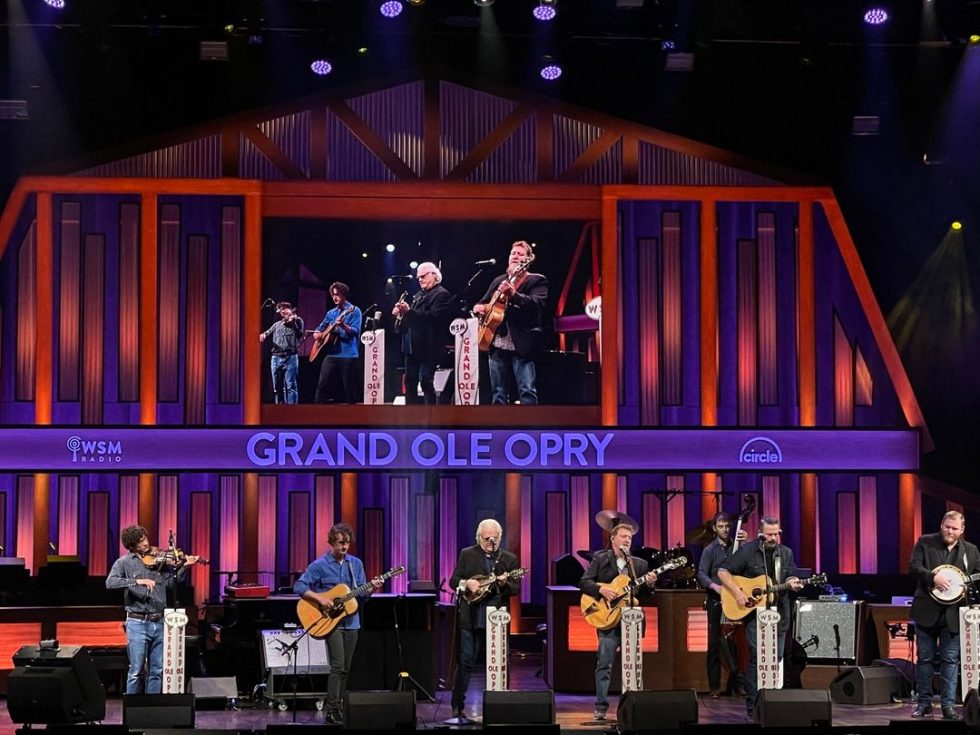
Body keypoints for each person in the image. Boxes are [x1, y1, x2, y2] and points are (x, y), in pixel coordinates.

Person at [294, 523, 382, 725]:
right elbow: (299, 585)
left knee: (346, 668)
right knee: (337, 665)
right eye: (341, 543)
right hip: (330, 623)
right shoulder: (320, 565)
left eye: (347, 543)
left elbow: (362, 596)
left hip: (352, 622)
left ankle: (339, 706)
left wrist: (371, 588)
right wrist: (320, 599)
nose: (345, 547)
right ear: (332, 543)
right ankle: (332, 709)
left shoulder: (355, 564)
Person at [718, 516, 803, 720]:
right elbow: (722, 572)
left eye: (777, 533)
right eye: (770, 534)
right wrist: (738, 593)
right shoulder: (748, 552)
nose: (774, 537)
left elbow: (790, 575)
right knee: (759, 658)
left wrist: (793, 582)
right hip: (756, 615)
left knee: (777, 659)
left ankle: (774, 704)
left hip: (779, 615)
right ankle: (753, 706)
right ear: (760, 533)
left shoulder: (786, 553)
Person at [105, 525, 200, 694]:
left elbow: (170, 584)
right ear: (132, 545)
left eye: (145, 539)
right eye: (141, 542)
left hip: (160, 621)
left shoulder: (159, 562)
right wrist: (137, 582)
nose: (146, 543)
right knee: (136, 671)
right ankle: (133, 711)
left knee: (157, 670)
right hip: (137, 622)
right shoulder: (124, 563)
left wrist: (185, 567)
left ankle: (152, 711)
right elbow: (110, 583)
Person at [578, 518, 656, 721]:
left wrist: (650, 584)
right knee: (604, 663)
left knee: (632, 665)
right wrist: (601, 589)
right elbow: (584, 582)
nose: (627, 540)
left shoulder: (640, 564)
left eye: (630, 537)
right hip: (607, 619)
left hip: (631, 621)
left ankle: (632, 704)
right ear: (613, 539)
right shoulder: (600, 559)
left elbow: (645, 595)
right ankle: (601, 706)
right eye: (623, 536)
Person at [909, 510, 980, 720]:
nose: (950, 531)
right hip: (926, 610)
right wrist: (933, 578)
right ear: (942, 525)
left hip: (954, 614)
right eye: (947, 526)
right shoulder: (925, 542)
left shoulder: (971, 551)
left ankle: (948, 706)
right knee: (925, 659)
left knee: (950, 660)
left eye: (954, 528)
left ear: (962, 530)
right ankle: (924, 704)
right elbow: (913, 567)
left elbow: (976, 577)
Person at [449, 519, 520, 720]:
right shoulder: (467, 554)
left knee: (499, 662)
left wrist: (505, 584)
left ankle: (499, 704)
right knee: (465, 661)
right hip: (471, 616)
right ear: (478, 537)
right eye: (487, 538)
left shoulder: (509, 558)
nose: (491, 541)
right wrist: (466, 583)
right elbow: (455, 580)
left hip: (496, 617)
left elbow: (515, 589)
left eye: (495, 538)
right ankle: (457, 705)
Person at [473, 240, 548, 405]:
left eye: (520, 254)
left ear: (528, 259)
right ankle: (499, 426)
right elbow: (484, 301)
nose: (515, 256)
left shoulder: (536, 280)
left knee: (527, 391)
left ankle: (530, 427)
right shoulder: (499, 280)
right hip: (497, 343)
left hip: (522, 345)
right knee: (498, 392)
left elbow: (536, 304)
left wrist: (514, 295)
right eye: (513, 253)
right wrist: (479, 307)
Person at [697, 512, 746, 698]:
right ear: (714, 528)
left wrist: (744, 544)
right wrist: (716, 587)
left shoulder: (737, 547)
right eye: (721, 526)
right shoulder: (710, 550)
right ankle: (715, 687)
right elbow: (702, 574)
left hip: (736, 599)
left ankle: (739, 685)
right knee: (715, 643)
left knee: (738, 644)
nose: (725, 530)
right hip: (717, 599)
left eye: (727, 526)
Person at [392, 262, 453, 404]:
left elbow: (434, 317)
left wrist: (409, 311)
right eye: (418, 277)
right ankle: (411, 416)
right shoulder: (418, 295)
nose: (419, 279)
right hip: (411, 346)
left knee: (425, 381)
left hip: (428, 346)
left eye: (423, 276)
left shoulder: (442, 294)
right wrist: (400, 314)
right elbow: (413, 317)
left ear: (434, 275)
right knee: (410, 382)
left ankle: (430, 414)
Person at [313, 282, 362, 404]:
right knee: (322, 383)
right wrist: (317, 333)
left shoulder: (354, 311)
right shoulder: (331, 313)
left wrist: (342, 325)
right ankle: (315, 413)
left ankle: (353, 416)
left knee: (348, 387)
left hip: (348, 354)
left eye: (337, 295)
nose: (334, 298)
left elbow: (355, 331)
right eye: (333, 295)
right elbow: (321, 326)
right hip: (331, 354)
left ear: (344, 295)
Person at [259, 301, 305, 404]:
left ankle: (292, 411)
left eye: (284, 309)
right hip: (275, 358)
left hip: (290, 357)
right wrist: (262, 336)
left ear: (290, 309)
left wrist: (293, 323)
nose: (282, 312)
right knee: (277, 388)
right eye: (280, 311)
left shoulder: (298, 321)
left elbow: (299, 334)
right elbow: (265, 334)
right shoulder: (277, 324)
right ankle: (279, 410)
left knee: (291, 386)